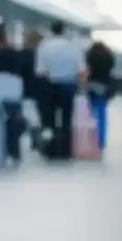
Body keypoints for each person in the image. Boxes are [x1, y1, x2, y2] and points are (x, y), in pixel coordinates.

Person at [35, 20, 85, 159]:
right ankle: (65, 150)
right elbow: (81, 69)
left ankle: (49, 149)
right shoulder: (73, 47)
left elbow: (39, 71)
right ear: (64, 30)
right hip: (68, 86)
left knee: (48, 120)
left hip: (48, 86)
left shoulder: (44, 46)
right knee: (66, 119)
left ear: (52, 30)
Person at [0, 24, 27, 166]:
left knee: (3, 123)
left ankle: (4, 151)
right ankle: (15, 151)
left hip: (2, 90)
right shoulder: (15, 53)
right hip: (15, 90)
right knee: (14, 122)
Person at [84, 39, 117, 151]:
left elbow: (86, 71)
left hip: (91, 85)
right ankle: (101, 139)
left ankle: (91, 138)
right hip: (103, 86)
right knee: (102, 113)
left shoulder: (89, 56)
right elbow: (111, 71)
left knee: (90, 113)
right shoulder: (108, 57)